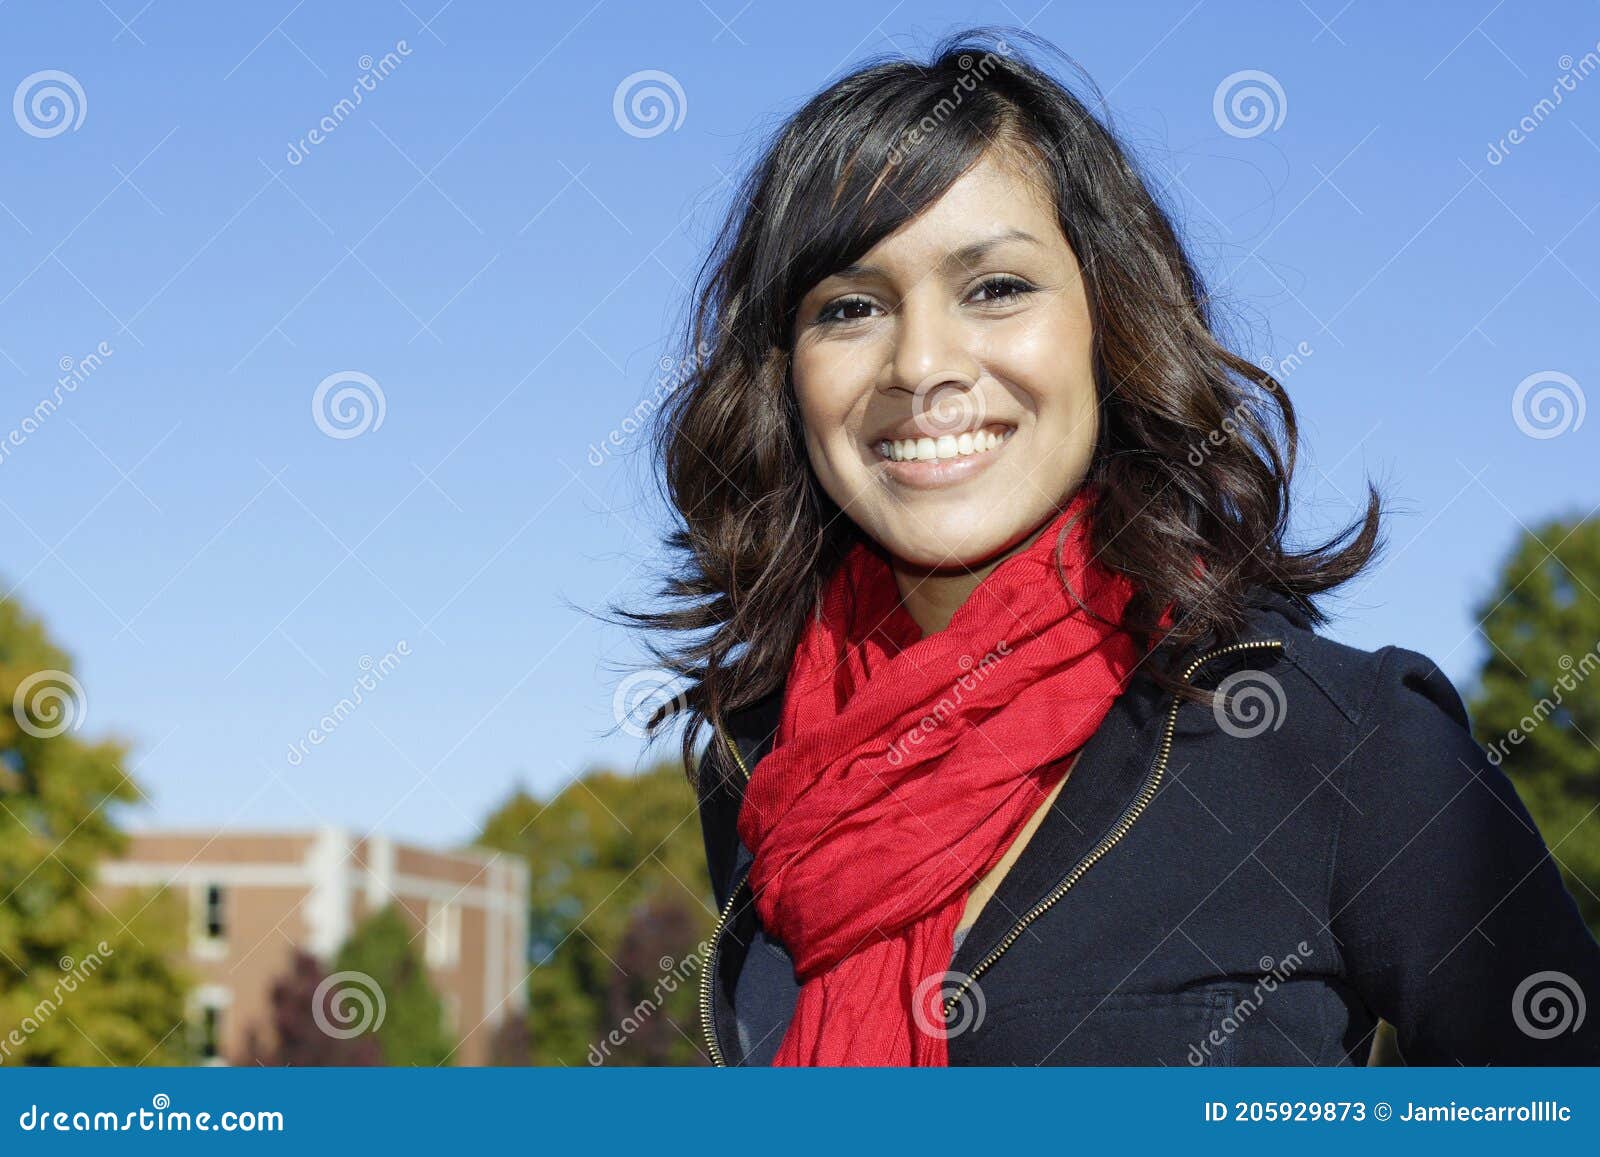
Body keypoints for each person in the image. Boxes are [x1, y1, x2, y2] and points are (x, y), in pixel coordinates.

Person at [630, 28, 1600, 1066]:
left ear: (1109, 321)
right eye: (851, 306)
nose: (919, 363)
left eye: (994, 286)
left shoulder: (1344, 743)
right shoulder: (768, 773)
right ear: (787, 374)